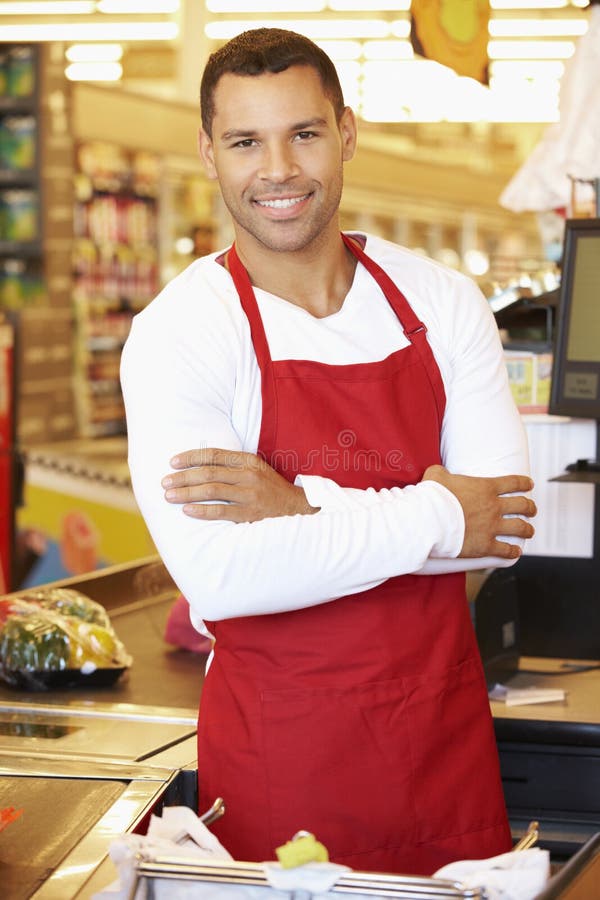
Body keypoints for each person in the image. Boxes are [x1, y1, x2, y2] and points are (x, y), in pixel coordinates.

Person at [121, 28, 536, 876]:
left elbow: (501, 526)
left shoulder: (440, 301)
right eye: (245, 141)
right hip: (284, 764)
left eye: (303, 133)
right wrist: (437, 514)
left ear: (346, 132)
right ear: (209, 152)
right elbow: (226, 576)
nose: (278, 168)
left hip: (442, 752)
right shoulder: (182, 332)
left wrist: (301, 506)